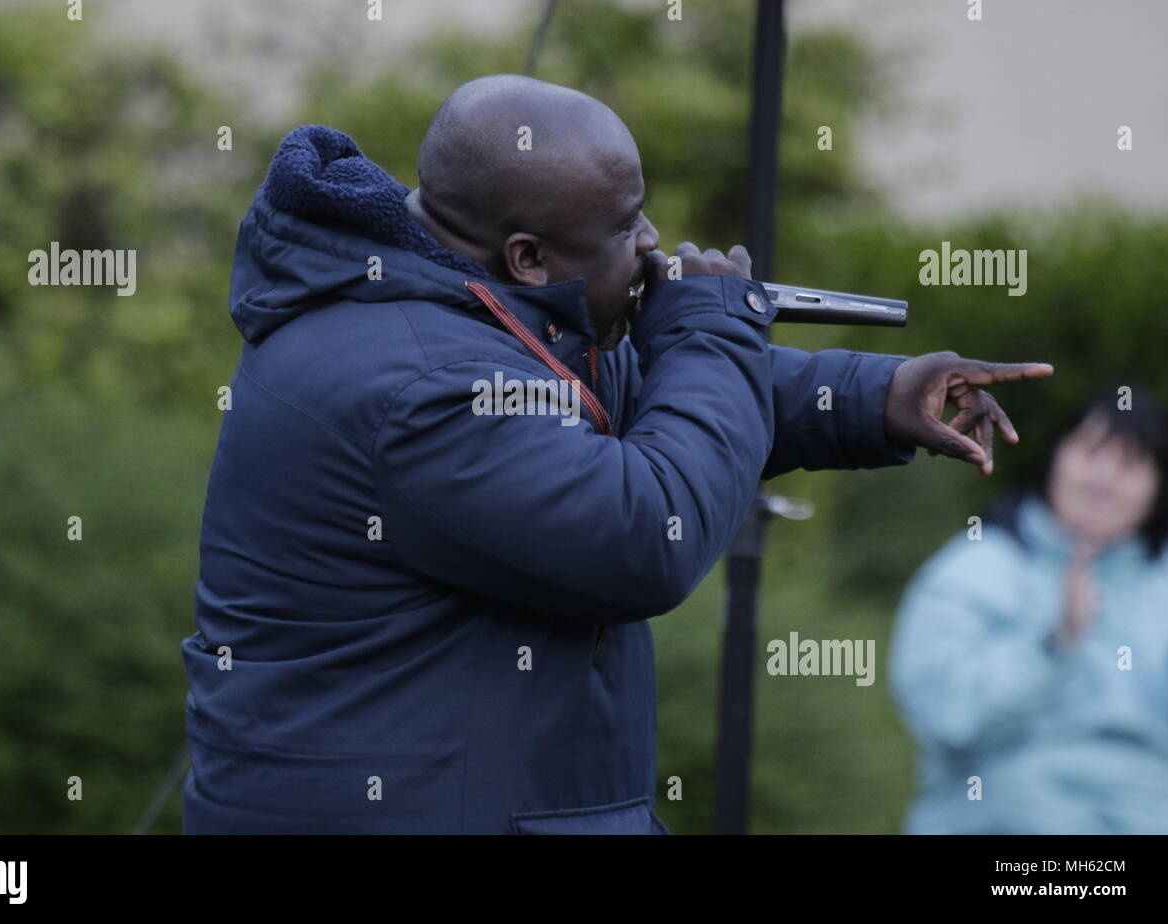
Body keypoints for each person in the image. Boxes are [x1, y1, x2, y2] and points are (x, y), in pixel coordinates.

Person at [181, 74, 1050, 834]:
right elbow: (649, 530)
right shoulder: (425, 383)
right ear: (529, 256)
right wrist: (714, 333)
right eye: (627, 224)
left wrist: (878, 398)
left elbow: (644, 396)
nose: (651, 243)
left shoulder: (468, 314)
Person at [891, 388, 1168, 833]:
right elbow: (945, 718)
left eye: (1129, 463)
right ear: (1055, 458)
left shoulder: (1167, 584)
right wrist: (1051, 642)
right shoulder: (975, 570)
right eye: (1092, 452)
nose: (1105, 478)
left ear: (1157, 487)